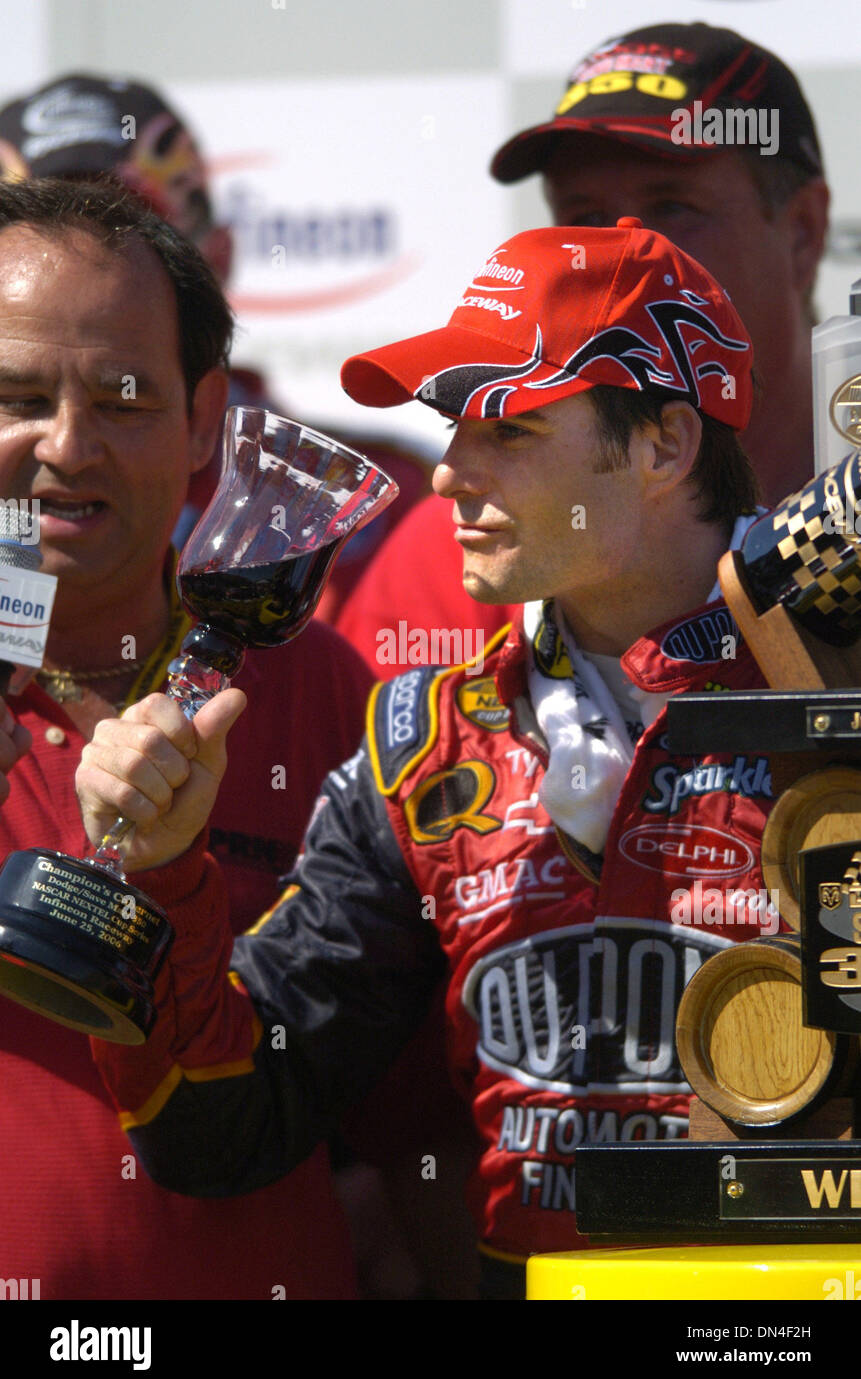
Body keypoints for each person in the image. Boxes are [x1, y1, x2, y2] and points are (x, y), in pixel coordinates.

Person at [79, 217, 786, 1299]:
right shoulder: (422, 748)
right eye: (454, 425)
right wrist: (169, 873)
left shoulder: (831, 690)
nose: (448, 474)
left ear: (664, 446)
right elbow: (225, 1122)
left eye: (508, 428)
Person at [0, 178, 375, 1299]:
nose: (67, 447)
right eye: (16, 395)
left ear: (205, 414)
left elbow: (427, 1124)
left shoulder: (320, 686)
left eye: (121, 399)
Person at [335, 19, 830, 671]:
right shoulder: (459, 542)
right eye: (585, 219)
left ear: (801, 231)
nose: (629, 247)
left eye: (672, 204)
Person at [0, 72, 430, 607]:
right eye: (34, 249)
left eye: (138, 239)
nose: (82, 277)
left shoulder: (359, 504)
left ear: (219, 258)